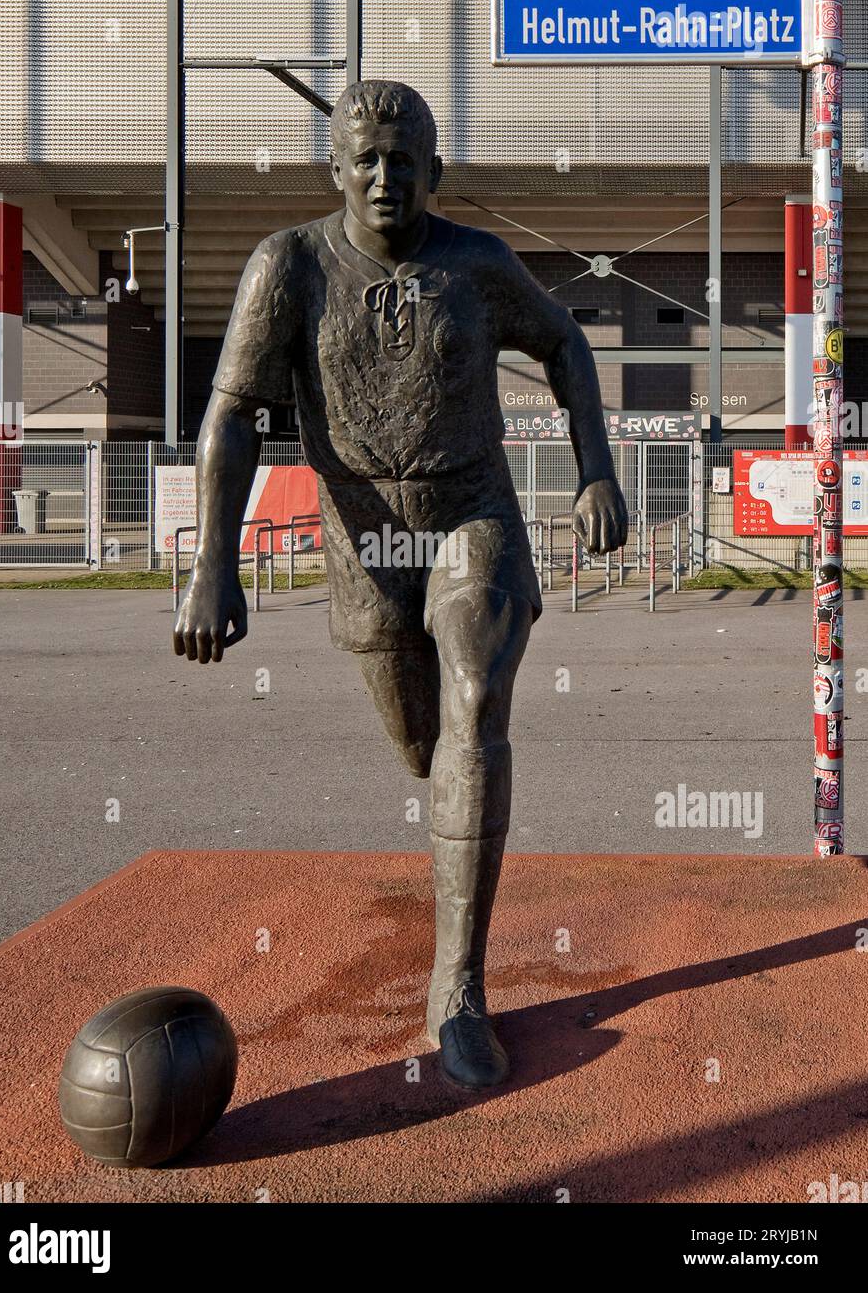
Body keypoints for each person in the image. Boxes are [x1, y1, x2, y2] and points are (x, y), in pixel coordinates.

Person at [173, 79, 628, 1089]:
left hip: (472, 513)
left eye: (405, 157)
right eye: (365, 157)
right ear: (335, 167)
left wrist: (596, 465)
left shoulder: (476, 263)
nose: (386, 176)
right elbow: (236, 411)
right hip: (363, 537)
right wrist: (213, 561)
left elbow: (564, 341)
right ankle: (455, 826)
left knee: (475, 701)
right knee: (426, 748)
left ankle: (457, 989)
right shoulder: (285, 268)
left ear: (436, 168)